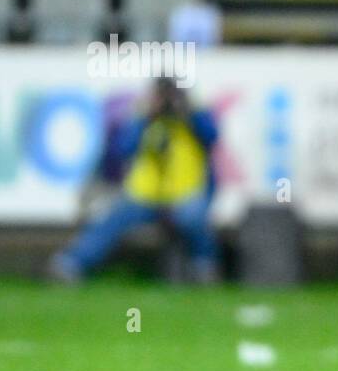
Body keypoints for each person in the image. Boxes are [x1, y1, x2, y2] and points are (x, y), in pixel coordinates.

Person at [50, 78, 220, 282]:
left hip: (185, 192)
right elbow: (123, 149)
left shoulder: (193, 118)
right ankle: (71, 263)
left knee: (192, 218)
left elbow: (212, 138)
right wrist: (144, 116)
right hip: (145, 193)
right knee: (111, 219)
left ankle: (204, 267)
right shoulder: (144, 119)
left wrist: (191, 111)